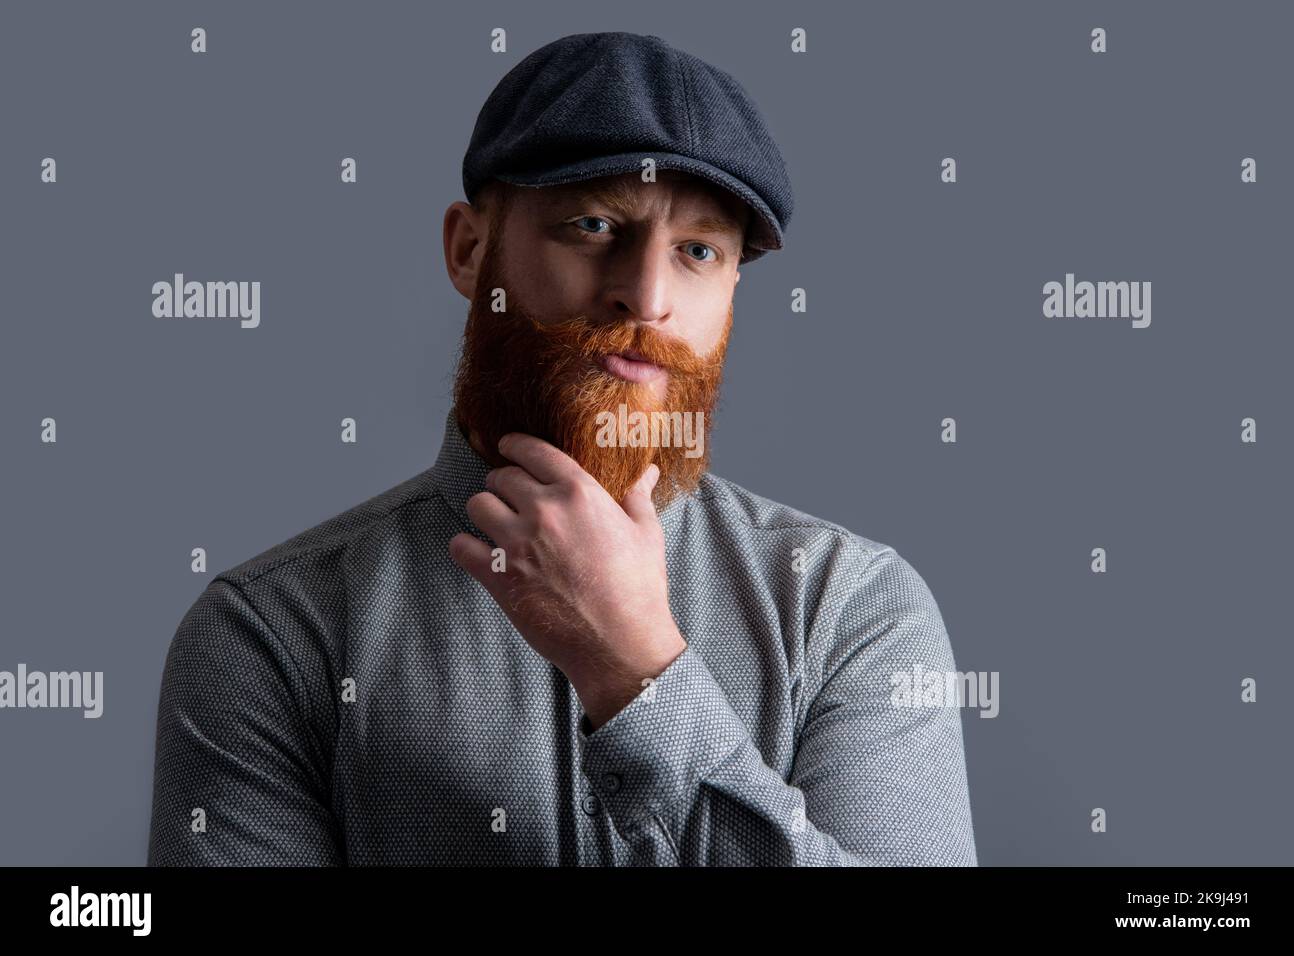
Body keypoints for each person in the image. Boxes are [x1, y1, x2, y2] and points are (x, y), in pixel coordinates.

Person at [147, 30, 977, 866]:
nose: (645, 296)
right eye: (592, 224)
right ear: (471, 252)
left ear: (731, 288)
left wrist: (635, 672)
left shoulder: (850, 611)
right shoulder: (270, 635)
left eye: (697, 250)